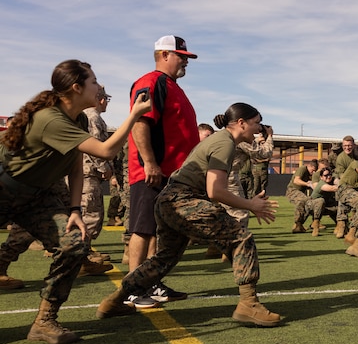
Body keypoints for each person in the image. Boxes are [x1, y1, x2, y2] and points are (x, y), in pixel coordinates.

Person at [1, 60, 152, 343]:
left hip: (36, 196)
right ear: (76, 87)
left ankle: (44, 322)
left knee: (74, 243)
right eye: (94, 81)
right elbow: (106, 150)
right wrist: (134, 115)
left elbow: (74, 162)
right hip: (4, 189)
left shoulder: (78, 119)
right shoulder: (51, 118)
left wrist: (74, 209)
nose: (99, 87)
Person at [96, 103, 282, 326]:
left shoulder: (221, 140)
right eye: (256, 123)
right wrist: (250, 204)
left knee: (164, 258)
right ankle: (249, 305)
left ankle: (115, 300)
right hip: (183, 199)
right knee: (241, 237)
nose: (259, 129)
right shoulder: (225, 143)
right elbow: (216, 191)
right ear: (241, 123)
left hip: (168, 201)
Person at [126, 35, 201, 307]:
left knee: (157, 229)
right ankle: (132, 290)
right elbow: (140, 122)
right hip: (153, 171)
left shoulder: (171, 85)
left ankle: (151, 281)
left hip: (171, 174)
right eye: (182, 56)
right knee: (143, 228)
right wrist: (149, 162)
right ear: (164, 55)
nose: (185, 62)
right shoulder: (152, 81)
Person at [78, 86, 115, 275]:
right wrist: (104, 167)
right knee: (90, 215)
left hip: (82, 173)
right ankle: (81, 260)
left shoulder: (86, 115)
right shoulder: (92, 117)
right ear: (100, 99)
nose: (107, 102)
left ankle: (84, 255)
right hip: (87, 173)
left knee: (85, 214)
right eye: (106, 98)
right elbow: (94, 146)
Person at [285, 159, 317, 233]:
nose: (313, 172)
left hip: (301, 192)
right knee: (303, 200)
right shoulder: (302, 169)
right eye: (313, 170)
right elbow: (296, 180)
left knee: (311, 203)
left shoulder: (312, 174)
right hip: (292, 190)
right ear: (309, 166)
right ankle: (298, 224)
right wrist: (308, 184)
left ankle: (311, 222)